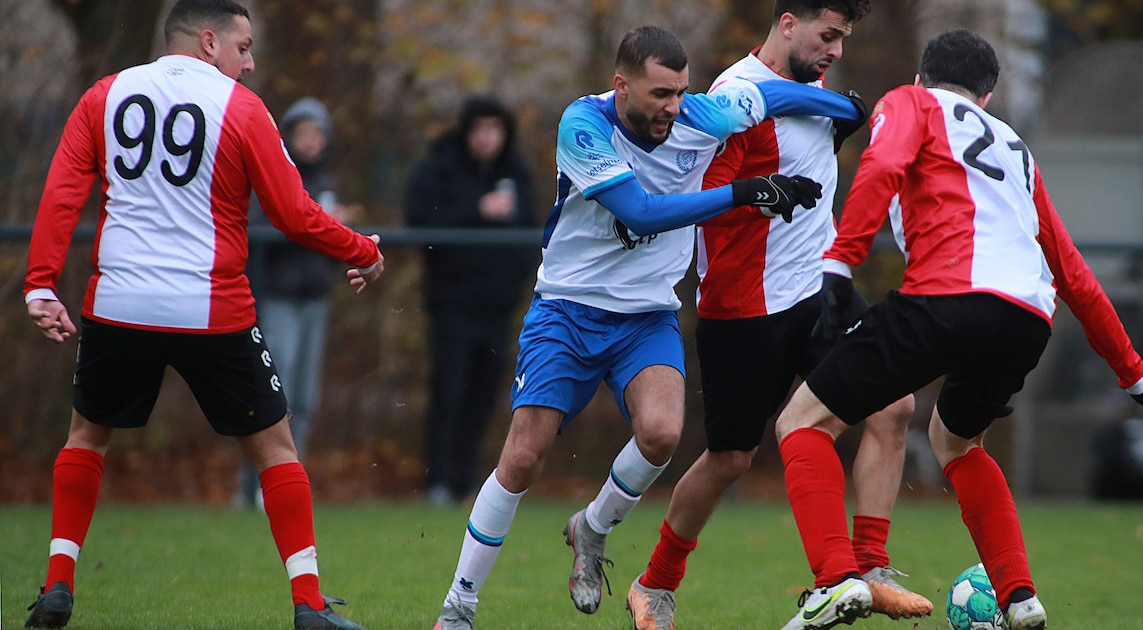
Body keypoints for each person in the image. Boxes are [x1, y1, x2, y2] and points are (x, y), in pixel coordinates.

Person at [432, 25, 866, 630]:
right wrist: (744, 192)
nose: (673, 107)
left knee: (662, 434)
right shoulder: (584, 124)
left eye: (681, 92)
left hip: (647, 315)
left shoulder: (698, 115)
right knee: (524, 457)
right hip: (568, 309)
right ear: (621, 86)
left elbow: (771, 96)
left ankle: (592, 528)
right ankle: (459, 605)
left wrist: (847, 109)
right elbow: (639, 212)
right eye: (661, 93)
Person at [770, 29, 1143, 630]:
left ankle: (836, 579)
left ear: (920, 79)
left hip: (948, 297)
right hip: (1026, 319)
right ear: (985, 98)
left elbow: (882, 164)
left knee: (802, 422)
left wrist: (840, 262)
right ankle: (1019, 597)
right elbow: (1072, 272)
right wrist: (1139, 379)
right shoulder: (1016, 150)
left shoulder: (911, 102)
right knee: (957, 442)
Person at [21, 1, 383, 628]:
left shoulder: (104, 95)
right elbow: (293, 212)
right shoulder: (241, 107)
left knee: (86, 437)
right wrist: (363, 251)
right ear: (210, 43)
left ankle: (58, 585)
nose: (251, 62)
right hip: (211, 307)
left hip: (119, 305)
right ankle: (309, 605)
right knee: (276, 449)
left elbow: (62, 193)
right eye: (244, 47)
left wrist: (40, 284)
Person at [623, 3, 933, 629]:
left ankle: (866, 569)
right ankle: (654, 583)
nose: (836, 50)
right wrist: (760, 199)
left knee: (894, 407)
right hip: (746, 304)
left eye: (843, 38)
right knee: (730, 458)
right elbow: (703, 201)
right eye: (828, 35)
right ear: (788, 23)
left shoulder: (815, 85)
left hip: (819, 291)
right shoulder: (734, 98)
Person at [405, 96, 540, 506]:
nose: (487, 138)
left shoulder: (516, 174)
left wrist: (517, 280)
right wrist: (477, 210)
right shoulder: (440, 171)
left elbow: (533, 234)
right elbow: (421, 223)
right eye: (480, 129)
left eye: (495, 129)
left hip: (499, 306)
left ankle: (465, 481)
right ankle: (437, 480)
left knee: (484, 396)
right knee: (449, 390)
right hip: (452, 303)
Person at [235, 96, 347, 509]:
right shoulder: (273, 174)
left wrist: (335, 229)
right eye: (303, 133)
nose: (311, 141)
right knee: (273, 394)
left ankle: (287, 481)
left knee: (305, 399)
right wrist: (311, 223)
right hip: (277, 297)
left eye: (318, 134)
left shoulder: (330, 183)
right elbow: (263, 227)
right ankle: (254, 485)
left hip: (315, 299)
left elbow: (332, 241)